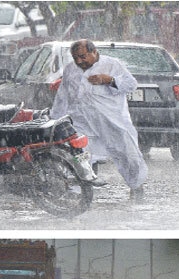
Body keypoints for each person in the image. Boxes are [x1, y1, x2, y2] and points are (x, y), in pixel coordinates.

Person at [50, 39, 148, 199]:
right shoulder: (70, 69)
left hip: (111, 120)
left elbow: (131, 84)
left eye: (83, 56)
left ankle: (136, 186)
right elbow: (63, 96)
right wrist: (56, 119)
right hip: (81, 121)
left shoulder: (112, 64)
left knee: (127, 155)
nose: (79, 61)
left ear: (94, 52)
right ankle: (79, 193)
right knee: (80, 155)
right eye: (75, 58)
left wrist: (109, 80)